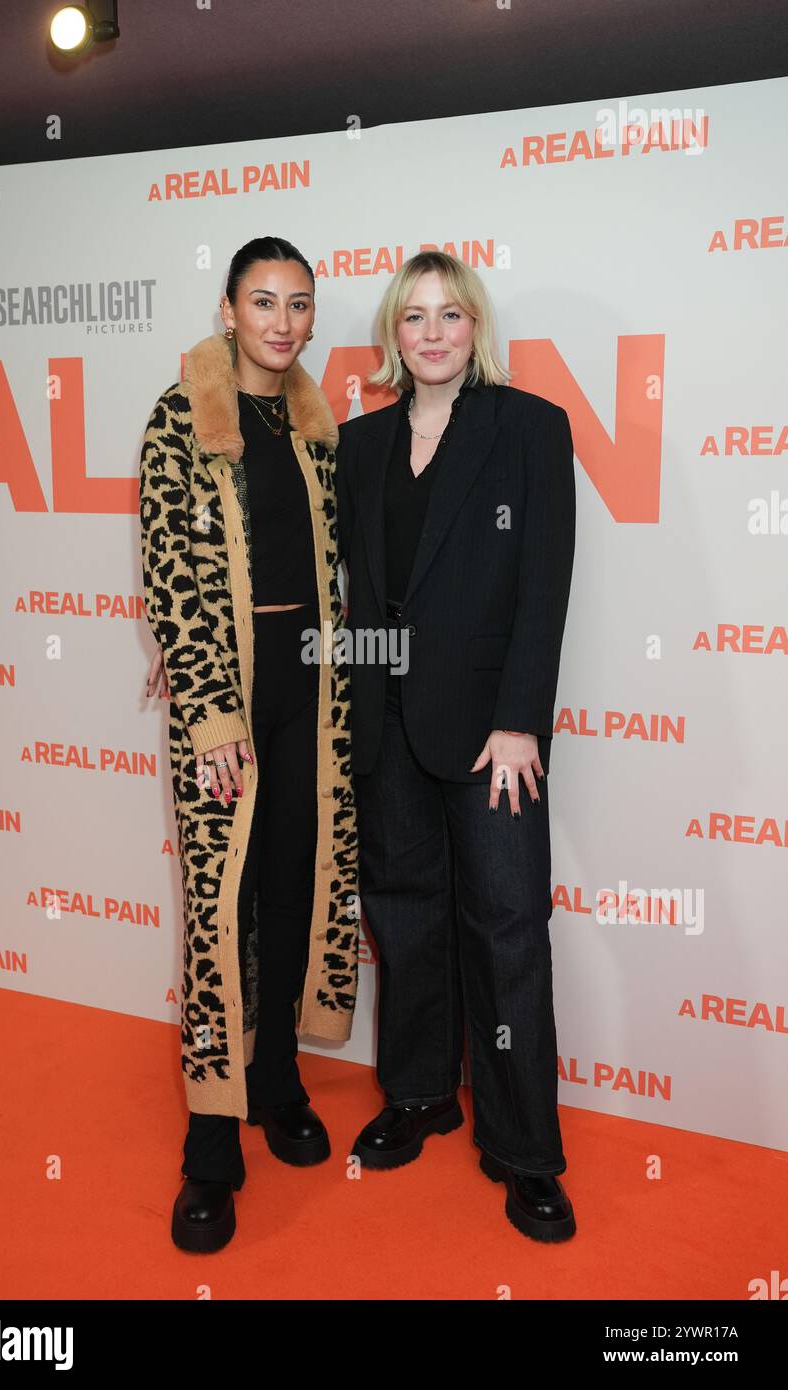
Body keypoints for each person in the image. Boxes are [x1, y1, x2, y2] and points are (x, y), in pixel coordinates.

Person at [335, 250, 577, 1242]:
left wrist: (520, 720)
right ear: (392, 333)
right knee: (404, 916)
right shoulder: (360, 442)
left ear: (475, 327)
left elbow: (544, 584)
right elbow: (348, 590)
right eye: (413, 317)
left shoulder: (527, 427)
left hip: (490, 733)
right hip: (384, 721)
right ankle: (421, 1092)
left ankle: (524, 1150)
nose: (431, 334)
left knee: (507, 929)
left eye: (450, 315)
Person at [140, 236, 359, 1253]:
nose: (282, 320)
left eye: (298, 303)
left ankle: (275, 1078)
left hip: (310, 694)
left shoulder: (316, 428)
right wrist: (208, 711)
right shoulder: (181, 415)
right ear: (227, 311)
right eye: (263, 301)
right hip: (227, 699)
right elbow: (171, 575)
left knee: (290, 885)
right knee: (218, 909)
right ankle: (210, 1140)